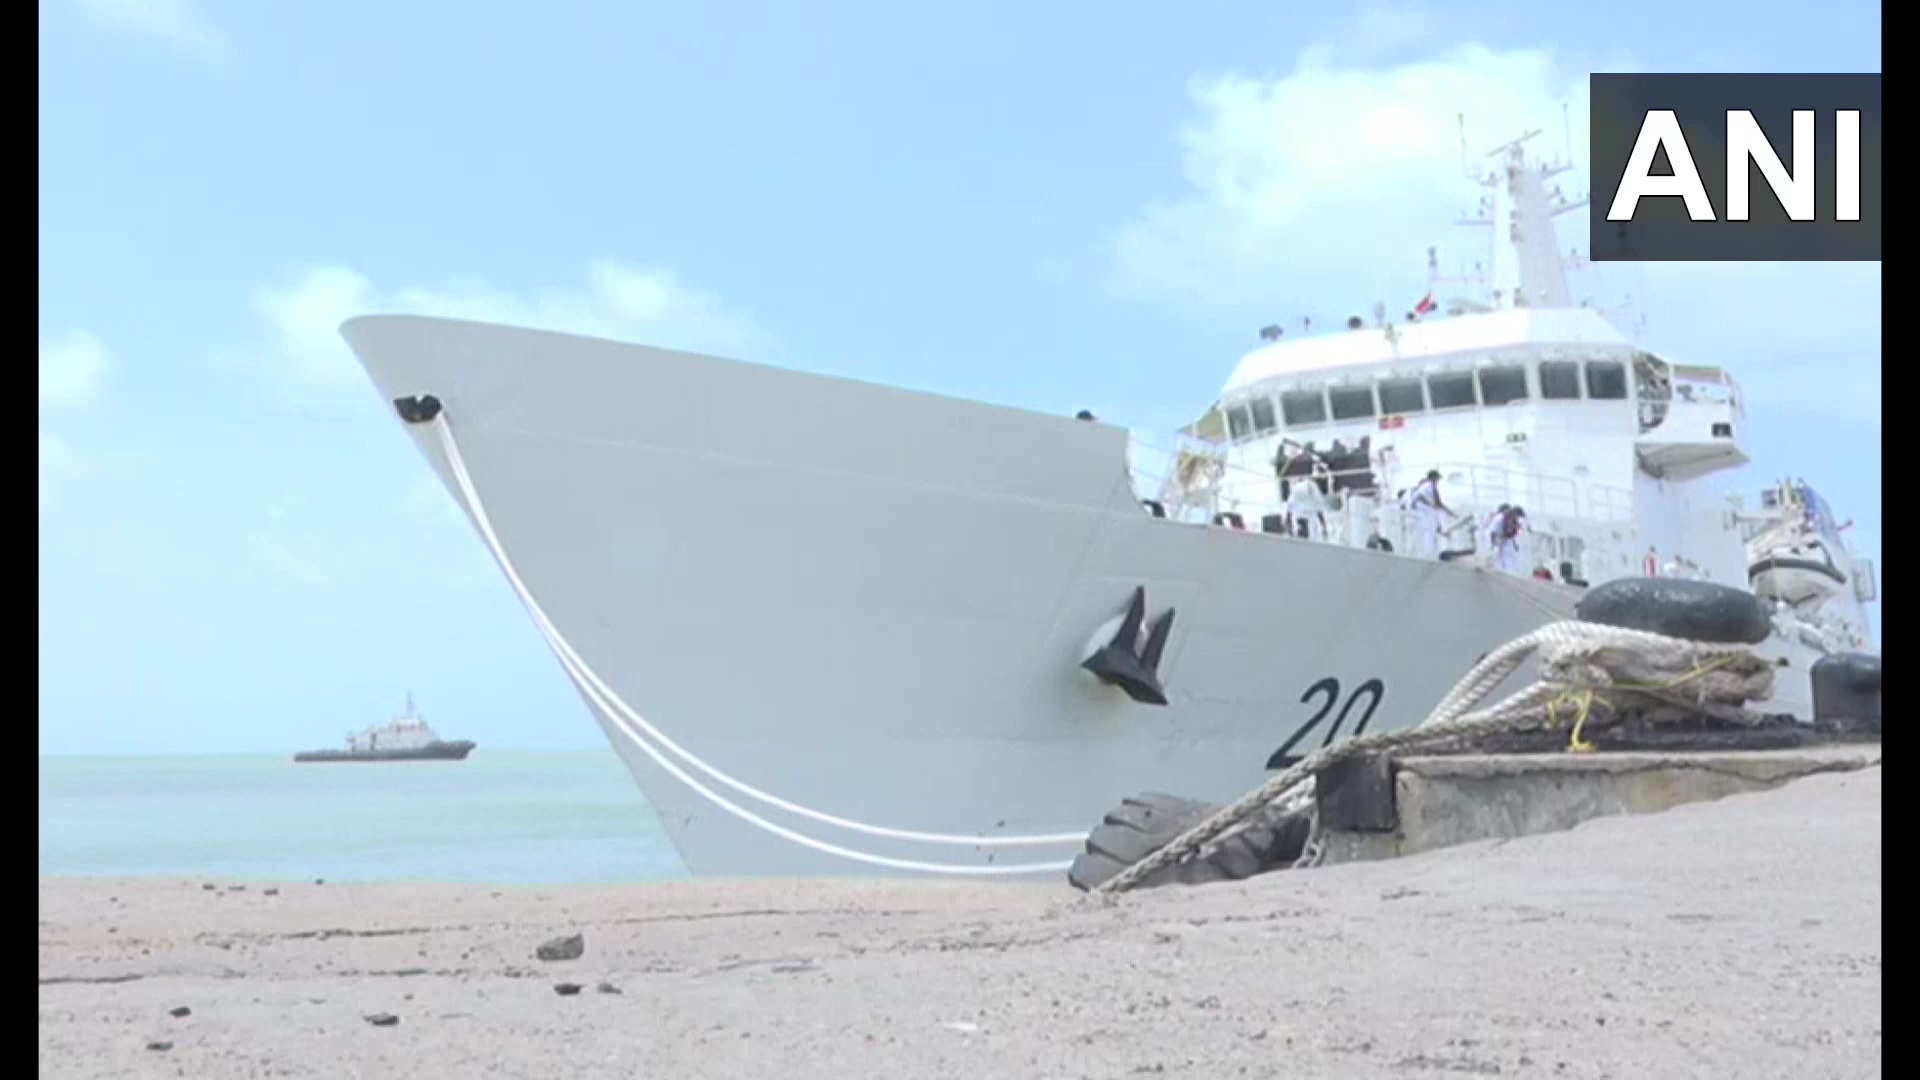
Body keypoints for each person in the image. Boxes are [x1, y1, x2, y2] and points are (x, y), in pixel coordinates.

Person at [1407, 469, 1449, 558]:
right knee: (1428, 534)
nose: (1438, 481)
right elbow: (1419, 496)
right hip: (1425, 513)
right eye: (1437, 478)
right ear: (1433, 478)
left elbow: (1439, 503)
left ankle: (1432, 553)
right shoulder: (1427, 486)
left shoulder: (1432, 487)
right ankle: (1428, 554)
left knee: (1432, 534)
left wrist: (1450, 513)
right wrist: (1430, 504)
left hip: (1430, 514)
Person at [1490, 505, 1528, 574]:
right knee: (1500, 557)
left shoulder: (1514, 519)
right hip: (1496, 538)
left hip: (1505, 539)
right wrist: (1493, 544)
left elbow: (1514, 534)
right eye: (1517, 516)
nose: (1517, 518)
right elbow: (1492, 532)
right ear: (1514, 513)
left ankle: (1508, 571)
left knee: (1509, 557)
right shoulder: (1500, 518)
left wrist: (1515, 544)